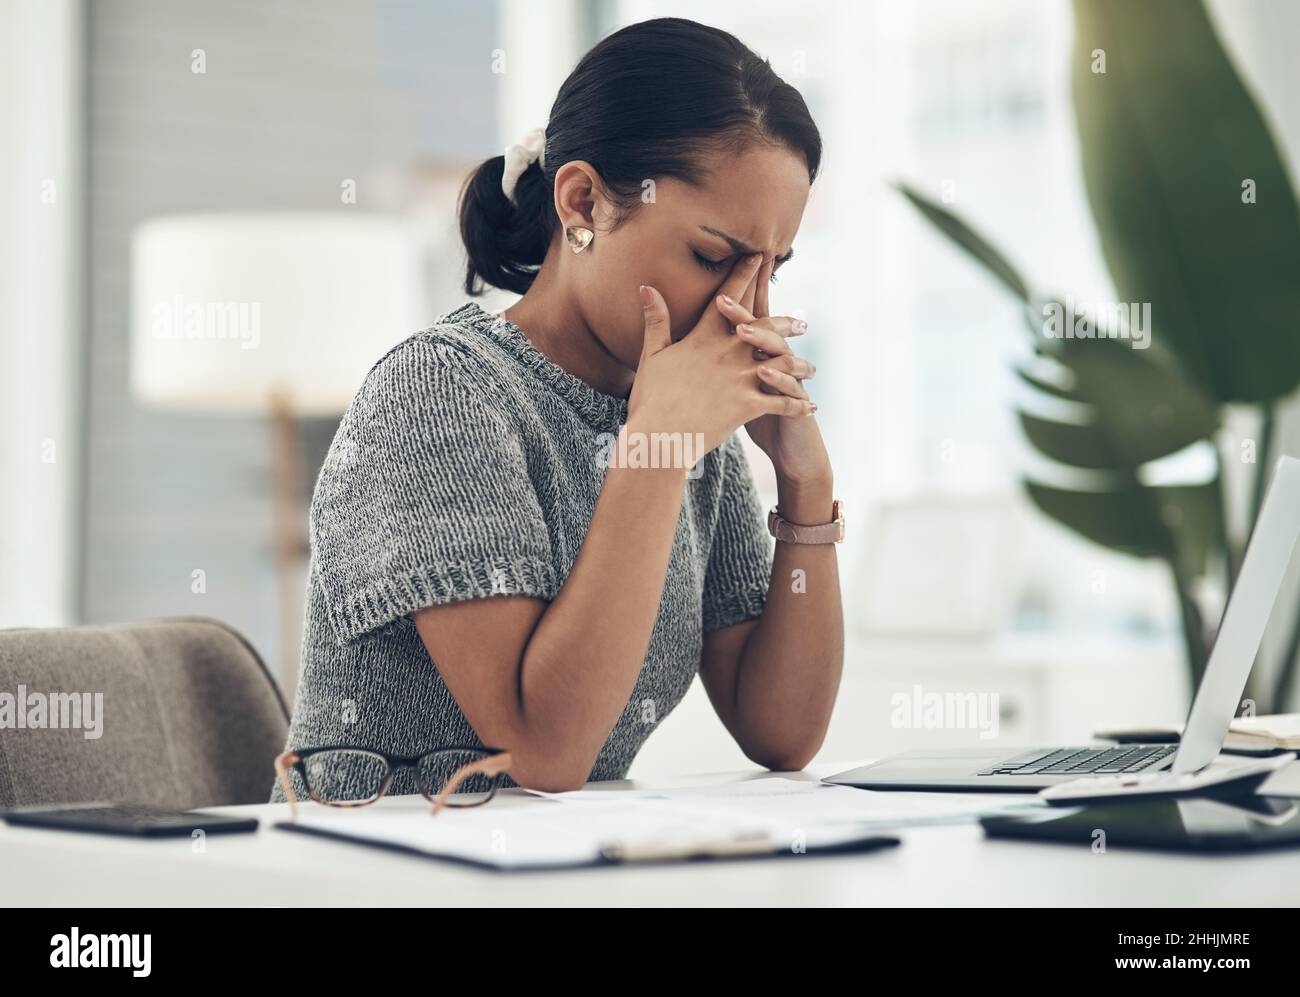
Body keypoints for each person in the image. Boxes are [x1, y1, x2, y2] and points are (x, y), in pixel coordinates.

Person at [271, 16, 844, 803]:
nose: (746, 308)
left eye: (771, 266)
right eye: (712, 257)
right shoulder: (442, 393)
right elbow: (540, 751)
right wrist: (658, 448)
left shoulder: (673, 409)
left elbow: (781, 730)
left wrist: (806, 484)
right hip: (372, 868)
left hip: (553, 870)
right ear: (582, 203)